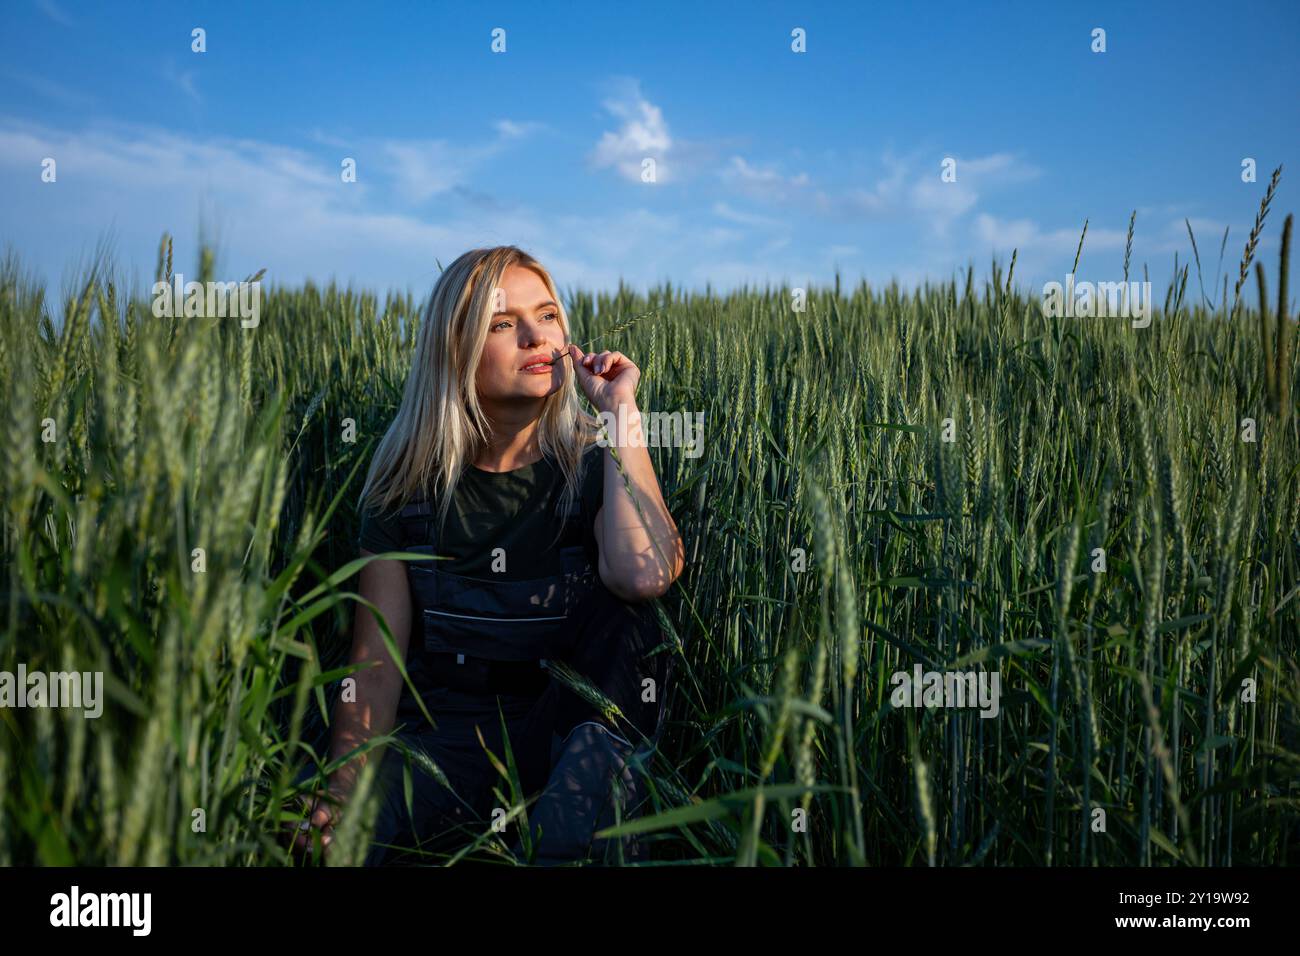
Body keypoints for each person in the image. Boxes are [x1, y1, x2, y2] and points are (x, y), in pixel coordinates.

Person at [292, 245, 685, 865]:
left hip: (569, 742)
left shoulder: (591, 464)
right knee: (332, 845)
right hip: (443, 739)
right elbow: (375, 668)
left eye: (548, 315)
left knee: (572, 831)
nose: (536, 337)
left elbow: (643, 576)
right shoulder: (407, 488)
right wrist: (343, 788)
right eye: (503, 324)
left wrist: (620, 413)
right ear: (456, 350)